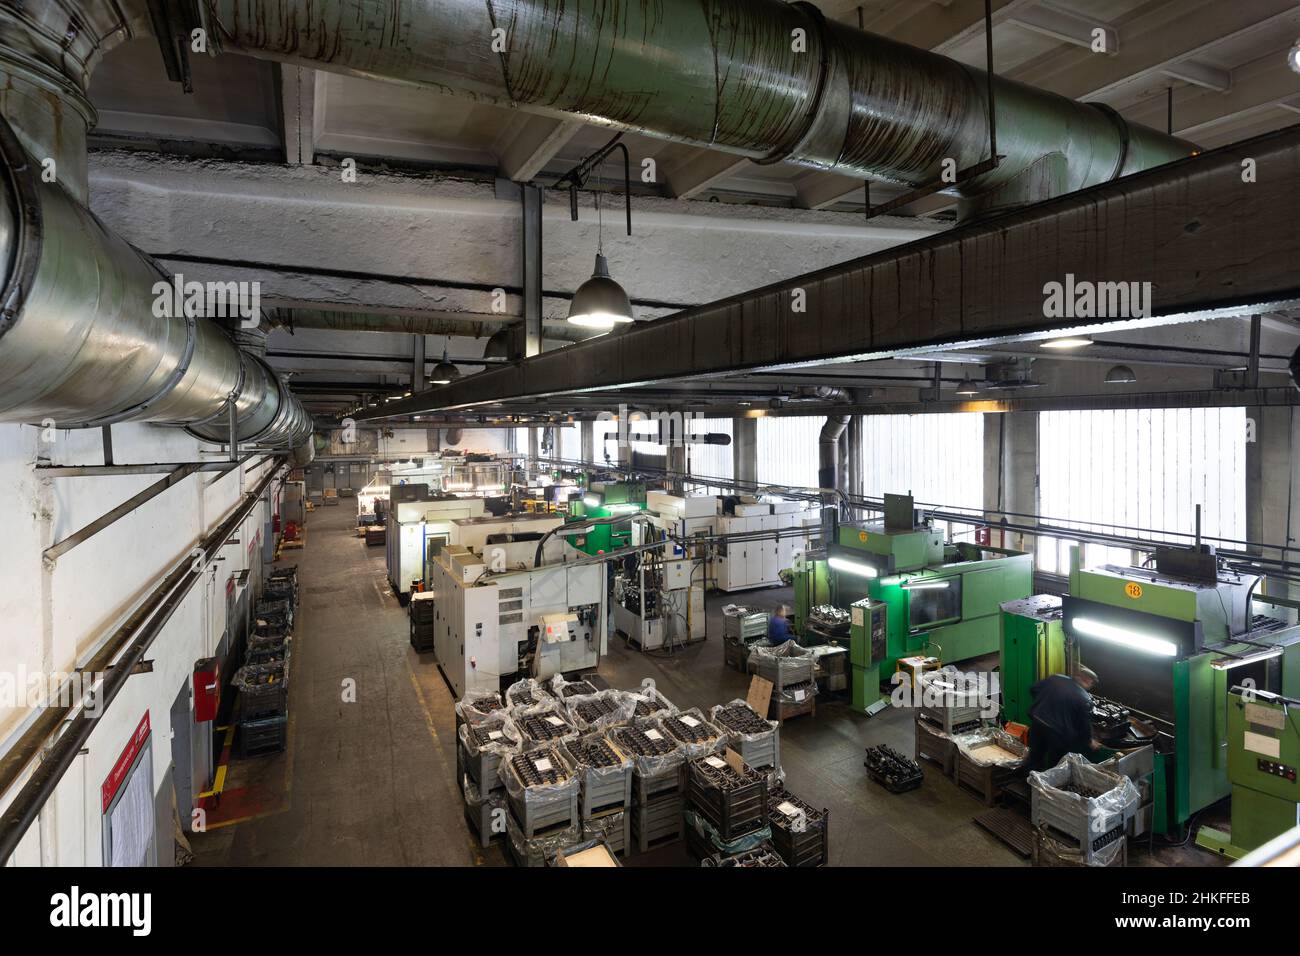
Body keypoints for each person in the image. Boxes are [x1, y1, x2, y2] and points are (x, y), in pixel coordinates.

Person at [1026, 665, 1103, 772]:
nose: (1091, 686)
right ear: (1088, 680)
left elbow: (1033, 689)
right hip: (1058, 734)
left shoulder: (1055, 678)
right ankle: (1048, 785)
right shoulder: (1084, 698)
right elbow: (1084, 724)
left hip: (1038, 722)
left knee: (1035, 756)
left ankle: (1030, 781)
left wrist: (1044, 703)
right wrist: (1090, 741)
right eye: (1092, 683)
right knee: (1056, 763)